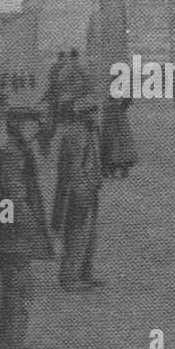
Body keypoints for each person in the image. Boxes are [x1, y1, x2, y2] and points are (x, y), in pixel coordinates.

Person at [0, 105, 55, 349]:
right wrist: (20, 236)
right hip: (12, 239)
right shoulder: (9, 156)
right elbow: (9, 201)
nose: (37, 130)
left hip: (12, 237)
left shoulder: (17, 152)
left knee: (17, 291)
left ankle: (10, 345)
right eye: (32, 125)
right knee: (18, 291)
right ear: (18, 126)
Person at [53, 94, 105, 292]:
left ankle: (85, 274)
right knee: (76, 234)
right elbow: (73, 170)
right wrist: (83, 190)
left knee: (89, 235)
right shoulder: (76, 134)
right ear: (83, 115)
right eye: (92, 112)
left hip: (89, 190)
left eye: (96, 111)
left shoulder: (90, 131)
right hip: (78, 193)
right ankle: (69, 278)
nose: (96, 115)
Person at [100, 94, 138, 177]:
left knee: (119, 139)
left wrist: (124, 104)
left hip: (117, 115)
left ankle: (120, 166)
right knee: (111, 138)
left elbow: (128, 99)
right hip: (111, 114)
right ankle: (111, 166)